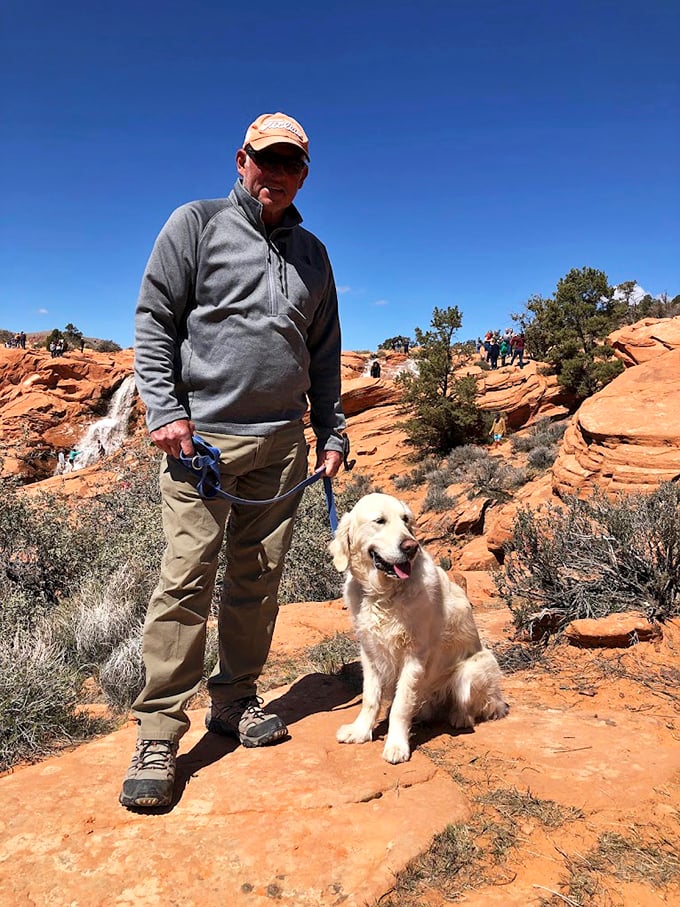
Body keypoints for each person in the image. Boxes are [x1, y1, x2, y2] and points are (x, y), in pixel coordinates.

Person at [120, 112, 346, 810]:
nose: (275, 173)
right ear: (241, 159)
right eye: (264, 159)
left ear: (304, 173)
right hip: (204, 444)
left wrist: (331, 431)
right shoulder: (196, 224)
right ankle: (159, 728)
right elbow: (155, 319)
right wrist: (166, 411)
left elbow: (325, 356)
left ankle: (235, 698)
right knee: (187, 576)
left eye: (290, 164)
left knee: (257, 578)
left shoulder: (312, 254)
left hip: (282, 446)